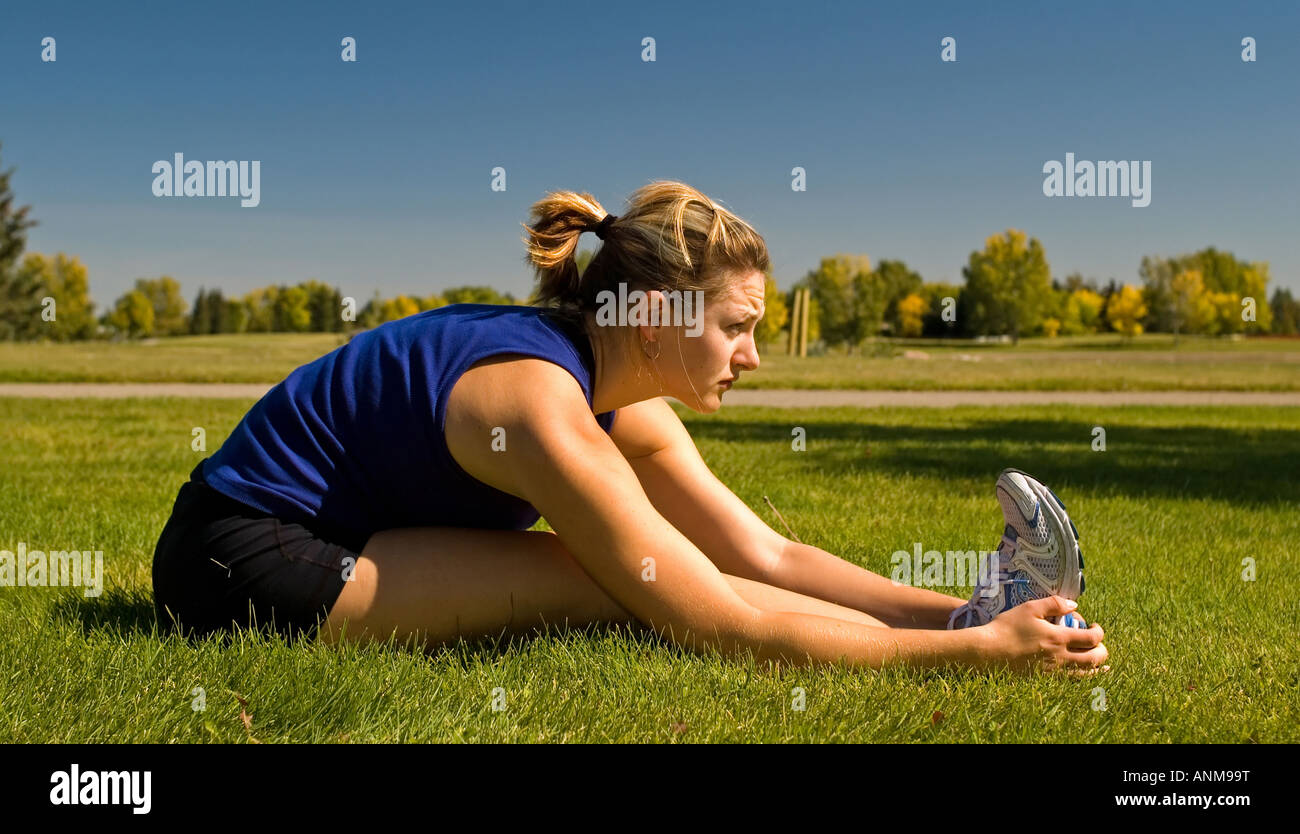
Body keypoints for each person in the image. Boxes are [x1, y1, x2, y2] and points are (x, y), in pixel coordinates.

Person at [151, 179, 1107, 676]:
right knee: (619, 582)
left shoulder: (620, 389)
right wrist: (973, 660)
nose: (752, 356)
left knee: (649, 567)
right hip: (240, 551)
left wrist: (951, 615)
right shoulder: (539, 405)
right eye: (735, 327)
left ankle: (971, 608)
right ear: (653, 312)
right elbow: (725, 621)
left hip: (352, 534)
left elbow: (765, 556)